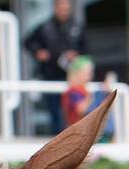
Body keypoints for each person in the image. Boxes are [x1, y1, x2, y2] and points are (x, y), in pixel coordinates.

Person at [25, 0, 86, 135]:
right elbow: (27, 42)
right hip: (50, 75)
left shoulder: (76, 27)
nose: (64, 10)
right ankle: (57, 140)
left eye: (66, 8)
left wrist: (76, 54)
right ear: (55, 8)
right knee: (55, 111)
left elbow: (85, 49)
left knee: (72, 110)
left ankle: (73, 138)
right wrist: (38, 52)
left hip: (71, 78)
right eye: (61, 7)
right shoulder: (45, 27)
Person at [61, 56, 97, 129]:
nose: (90, 74)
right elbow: (81, 109)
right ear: (77, 72)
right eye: (87, 71)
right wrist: (93, 97)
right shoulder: (74, 91)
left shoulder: (81, 89)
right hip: (77, 132)